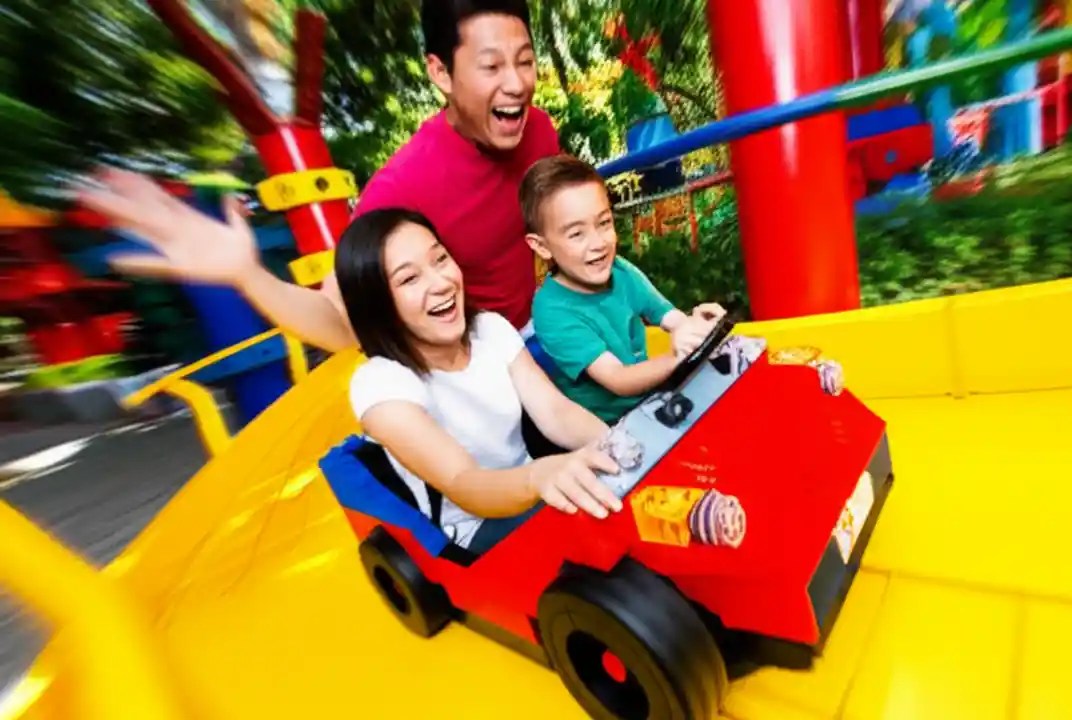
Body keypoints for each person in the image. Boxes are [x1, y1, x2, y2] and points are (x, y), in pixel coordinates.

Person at [90, 0, 558, 351]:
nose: (517, 83)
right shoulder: (403, 186)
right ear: (440, 72)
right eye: (491, 66)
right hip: (474, 366)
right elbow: (338, 316)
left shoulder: (538, 130)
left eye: (525, 61)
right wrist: (248, 276)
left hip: (543, 332)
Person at [340, 207, 623, 553]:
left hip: (536, 485)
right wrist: (540, 476)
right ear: (376, 304)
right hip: (474, 527)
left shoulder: (489, 329)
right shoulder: (380, 384)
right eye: (409, 279)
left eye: (440, 259)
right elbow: (464, 483)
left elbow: (556, 412)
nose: (441, 283)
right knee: (609, 530)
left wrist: (620, 447)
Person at [520, 154, 726, 425]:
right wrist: (678, 357)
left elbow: (669, 317)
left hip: (652, 397)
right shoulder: (551, 310)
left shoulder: (619, 269)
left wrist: (698, 328)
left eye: (604, 223)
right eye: (576, 234)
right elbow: (618, 379)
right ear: (541, 246)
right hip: (609, 426)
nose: (598, 243)